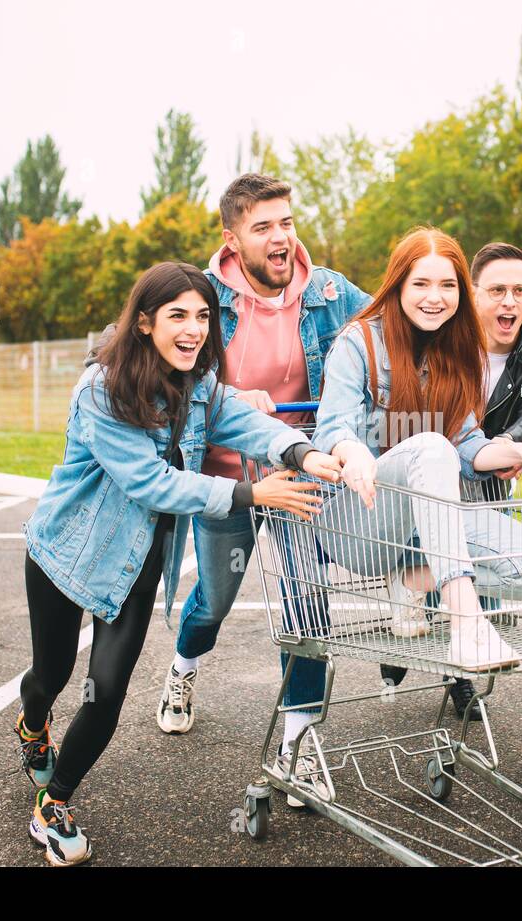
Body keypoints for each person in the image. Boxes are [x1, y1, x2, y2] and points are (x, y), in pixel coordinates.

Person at [16, 262, 341, 865]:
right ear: (144, 323)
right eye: (177, 317)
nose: (193, 329)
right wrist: (251, 494)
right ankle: (33, 724)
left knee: (106, 690)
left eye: (201, 317)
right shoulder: (101, 389)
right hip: (68, 554)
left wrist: (301, 450)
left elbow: (243, 421)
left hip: (137, 567)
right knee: (53, 675)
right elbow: (151, 484)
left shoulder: (199, 386)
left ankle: (54, 803)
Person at [86, 174, 370, 765]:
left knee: (304, 599)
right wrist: (231, 394)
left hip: (301, 472)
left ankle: (299, 740)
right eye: (262, 226)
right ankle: (185, 665)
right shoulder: (199, 295)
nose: (279, 237)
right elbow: (124, 344)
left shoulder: (331, 292)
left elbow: (392, 334)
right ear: (233, 237)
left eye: (286, 222)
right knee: (214, 602)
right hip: (223, 481)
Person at [312, 227, 522, 672]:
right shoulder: (360, 343)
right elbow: (333, 426)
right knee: (430, 447)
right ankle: (467, 622)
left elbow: (469, 447)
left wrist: (518, 451)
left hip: (432, 521)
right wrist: (352, 453)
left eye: (447, 285)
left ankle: (413, 580)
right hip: (363, 523)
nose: (436, 297)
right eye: (422, 284)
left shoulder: (458, 352)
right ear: (398, 286)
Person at [377, 242, 522, 713]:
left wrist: (500, 448)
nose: (510, 302)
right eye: (498, 290)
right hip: (431, 467)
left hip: (485, 475)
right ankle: (415, 626)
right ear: (473, 293)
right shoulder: (441, 339)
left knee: (471, 573)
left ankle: (455, 667)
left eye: (520, 291)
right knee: (446, 556)